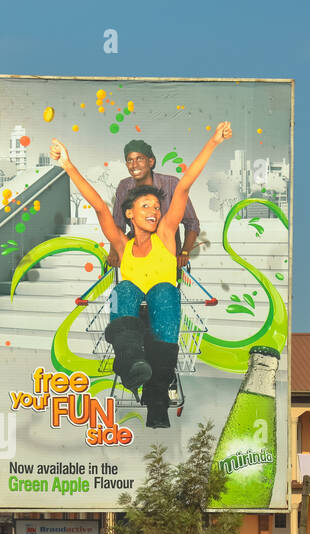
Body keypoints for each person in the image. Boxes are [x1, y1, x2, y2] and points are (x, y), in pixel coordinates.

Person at [50, 122, 231, 429]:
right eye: (145, 205)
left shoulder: (165, 235)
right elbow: (98, 206)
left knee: (164, 290)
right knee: (125, 290)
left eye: (157, 207)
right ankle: (133, 361)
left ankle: (156, 399)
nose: (154, 210)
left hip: (162, 310)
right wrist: (68, 165)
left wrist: (213, 142)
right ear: (130, 214)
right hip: (132, 319)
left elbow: (184, 186)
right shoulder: (123, 243)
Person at [107, 140, 201, 277]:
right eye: (130, 160)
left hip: (167, 257)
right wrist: (113, 251)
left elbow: (192, 223)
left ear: (151, 162)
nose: (134, 165)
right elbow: (117, 225)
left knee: (163, 295)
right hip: (137, 258)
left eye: (139, 159)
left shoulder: (171, 184)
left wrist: (184, 253)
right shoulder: (124, 186)